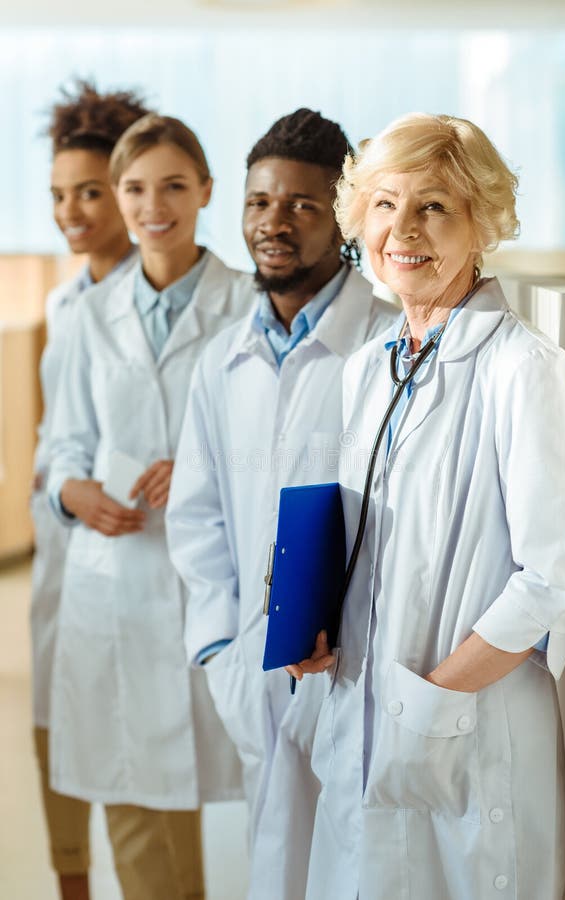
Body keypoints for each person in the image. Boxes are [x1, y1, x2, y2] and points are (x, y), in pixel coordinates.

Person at [286, 113, 565, 900]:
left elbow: (548, 581)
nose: (402, 230)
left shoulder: (520, 369)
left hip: (465, 731)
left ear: (480, 224)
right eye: (384, 204)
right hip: (363, 713)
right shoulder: (369, 367)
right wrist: (319, 621)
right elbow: (372, 551)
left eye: (433, 207)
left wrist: (429, 702)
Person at [166, 108, 397, 900]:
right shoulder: (219, 361)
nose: (274, 223)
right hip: (249, 663)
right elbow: (196, 518)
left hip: (352, 664)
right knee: (273, 861)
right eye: (260, 202)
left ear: (342, 219)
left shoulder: (387, 345)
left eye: (301, 205)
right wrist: (216, 650)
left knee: (353, 859)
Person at [47, 113, 249, 900]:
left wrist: (201, 467)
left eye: (172, 184)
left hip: (211, 580)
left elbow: (282, 444)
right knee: (133, 801)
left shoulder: (245, 307)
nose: (151, 204)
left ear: (205, 191)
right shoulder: (89, 316)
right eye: (134, 187)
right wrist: (75, 492)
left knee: (248, 803)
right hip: (118, 579)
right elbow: (64, 444)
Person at [30, 79, 149, 900]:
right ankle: (71, 886)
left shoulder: (162, 296)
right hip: (64, 555)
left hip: (138, 559)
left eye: (91, 192)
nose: (71, 211)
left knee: (132, 751)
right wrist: (64, 489)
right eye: (58, 195)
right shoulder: (62, 302)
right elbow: (50, 446)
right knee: (55, 736)